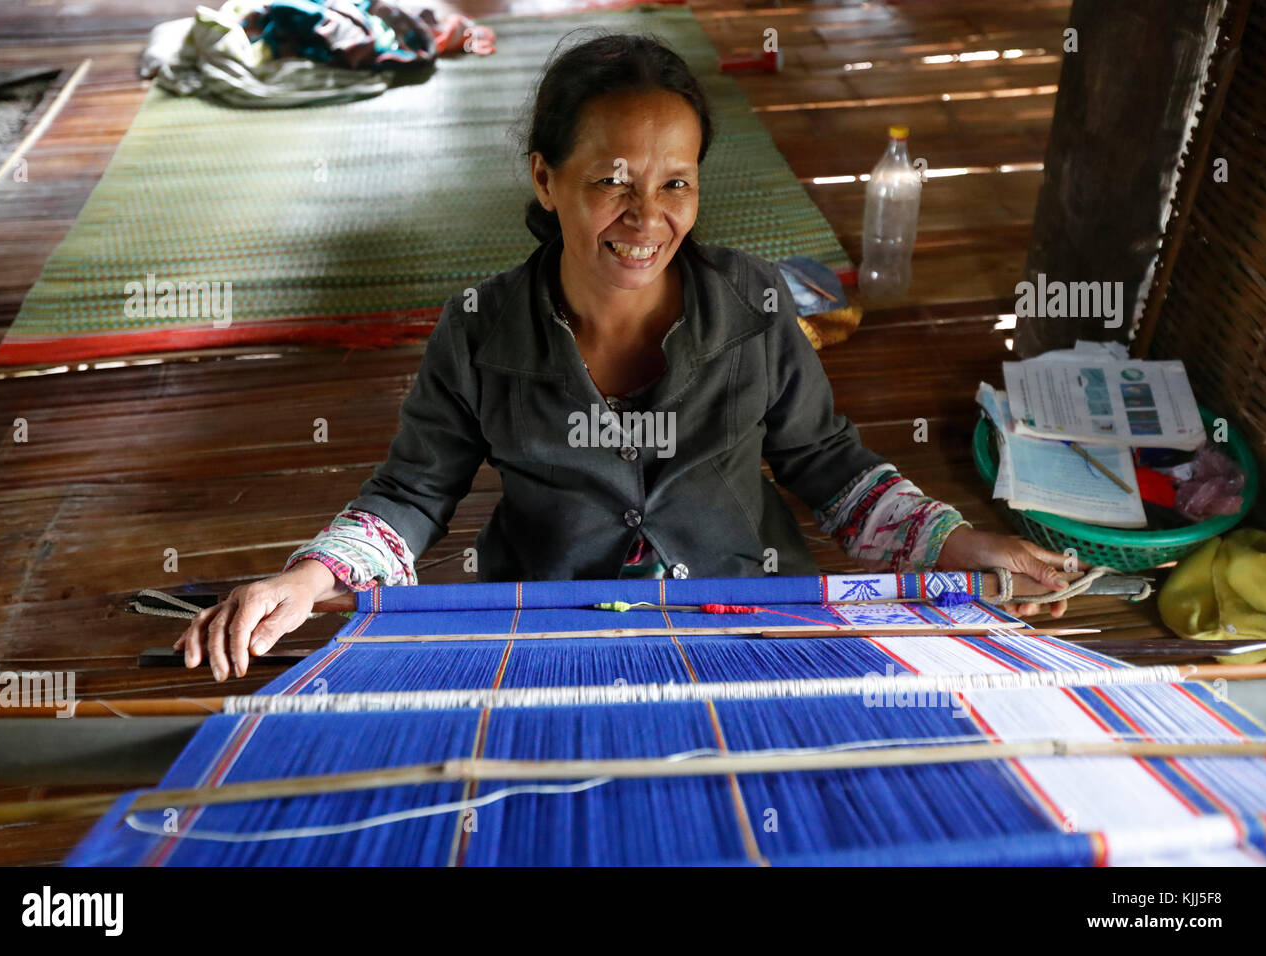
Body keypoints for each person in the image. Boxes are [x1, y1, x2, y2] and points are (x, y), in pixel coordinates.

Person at [177, 31, 1072, 682]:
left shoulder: (756, 307)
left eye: (674, 182)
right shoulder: (481, 330)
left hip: (749, 616)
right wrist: (309, 576)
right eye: (610, 181)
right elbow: (413, 494)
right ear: (544, 178)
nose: (648, 220)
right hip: (555, 630)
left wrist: (956, 539)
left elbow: (825, 461)